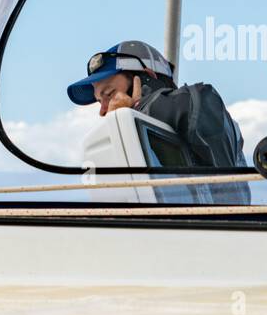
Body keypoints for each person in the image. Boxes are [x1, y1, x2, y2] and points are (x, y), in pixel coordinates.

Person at [65, 40, 250, 203]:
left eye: (110, 94)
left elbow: (195, 103)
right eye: (99, 101)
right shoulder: (144, 138)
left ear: (147, 78)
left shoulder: (195, 103)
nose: (103, 110)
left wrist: (134, 111)